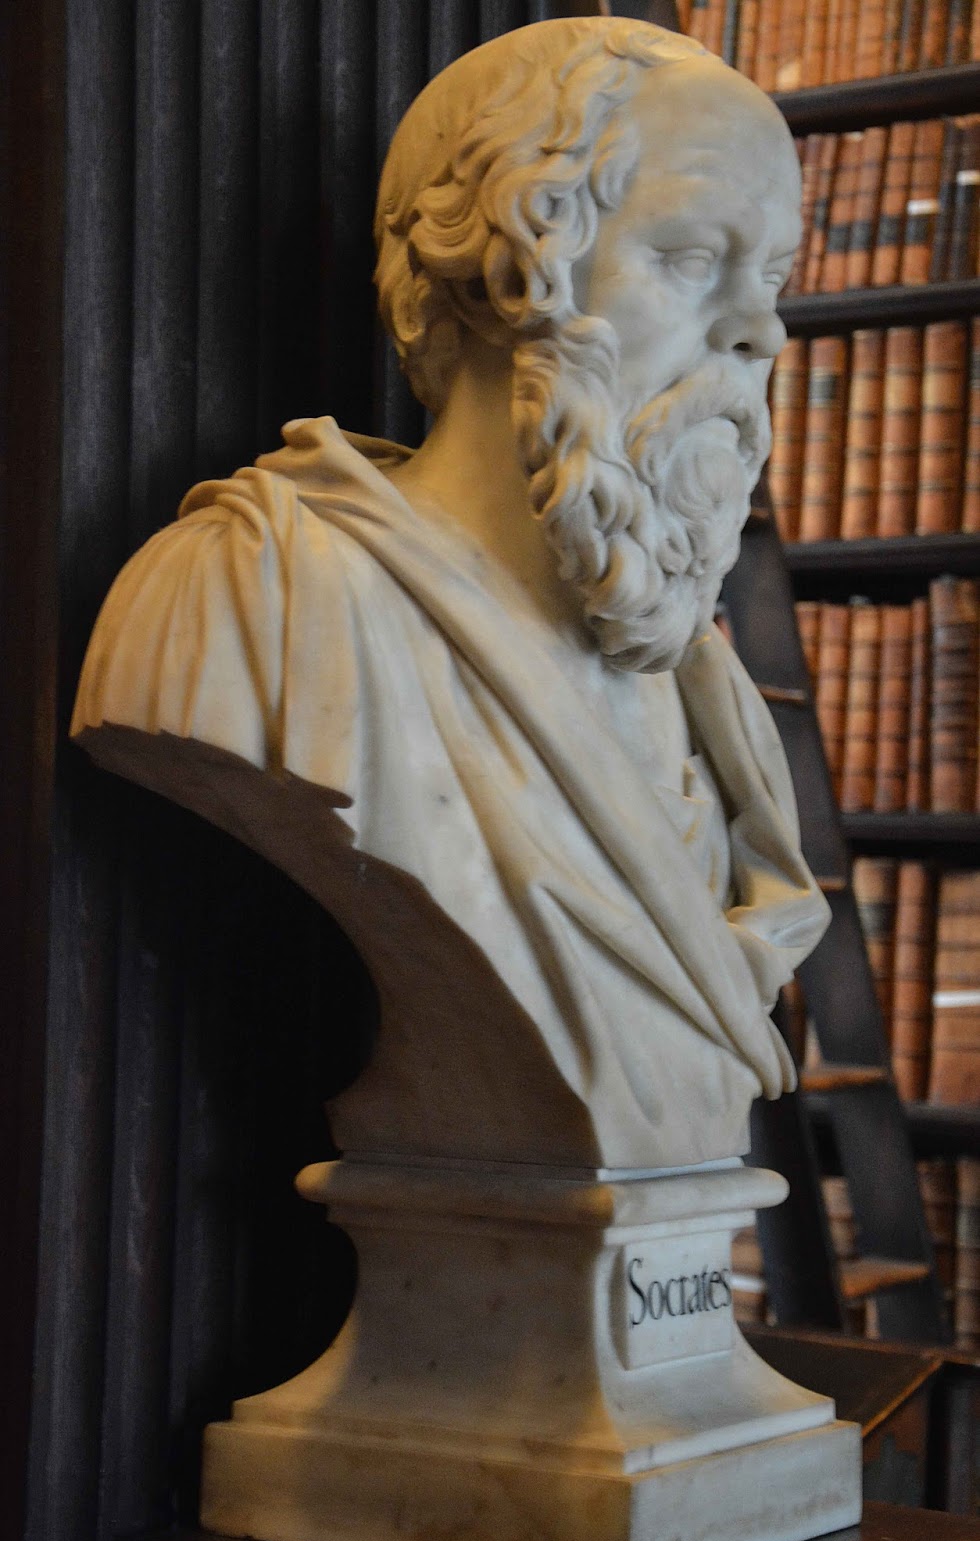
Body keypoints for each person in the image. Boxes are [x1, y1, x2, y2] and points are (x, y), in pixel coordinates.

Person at [73, 16, 828, 1173]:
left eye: (769, 277)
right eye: (686, 257)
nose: (759, 331)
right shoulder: (248, 605)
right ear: (498, 277)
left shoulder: (707, 693)